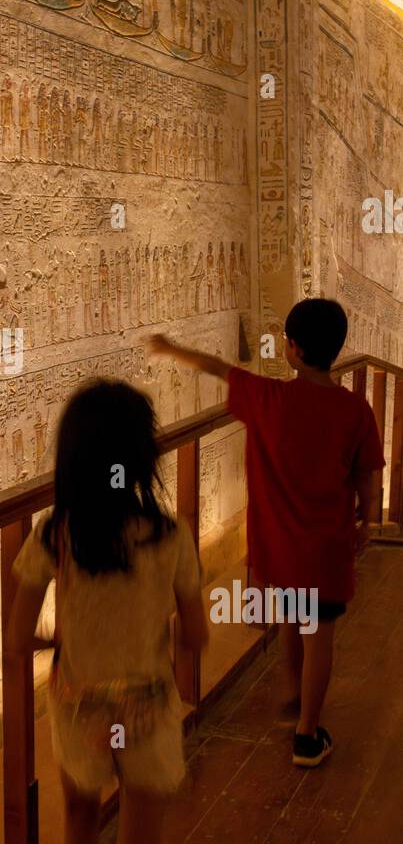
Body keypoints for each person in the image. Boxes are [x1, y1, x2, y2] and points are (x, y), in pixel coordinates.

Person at [4, 380, 207, 844]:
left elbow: (17, 640)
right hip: (146, 706)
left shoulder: (54, 534)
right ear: (141, 458)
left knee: (79, 816)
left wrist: (60, 646)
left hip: (77, 703)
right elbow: (195, 634)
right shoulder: (166, 536)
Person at [148, 298, 384, 768]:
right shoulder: (354, 410)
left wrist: (170, 348)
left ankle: (296, 701)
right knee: (318, 633)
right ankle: (307, 732)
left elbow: (217, 368)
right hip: (326, 550)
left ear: (292, 349)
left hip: (279, 551)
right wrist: (369, 521)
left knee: (293, 621)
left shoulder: (268, 399)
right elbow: (367, 476)